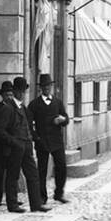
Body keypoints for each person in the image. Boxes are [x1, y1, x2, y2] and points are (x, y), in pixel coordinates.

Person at [6, 77, 49, 213]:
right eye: (20, 91)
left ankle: (36, 204)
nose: (22, 94)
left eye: (24, 91)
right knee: (13, 176)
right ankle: (12, 205)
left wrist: (34, 139)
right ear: (14, 92)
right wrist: (13, 142)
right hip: (16, 146)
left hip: (26, 146)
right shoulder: (8, 107)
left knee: (33, 175)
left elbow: (29, 126)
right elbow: (0, 130)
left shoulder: (24, 108)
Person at [30, 73, 70, 203]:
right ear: (40, 88)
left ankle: (59, 193)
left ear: (51, 86)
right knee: (41, 170)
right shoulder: (34, 104)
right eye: (44, 86)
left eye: (48, 86)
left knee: (62, 167)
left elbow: (66, 118)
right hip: (42, 142)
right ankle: (42, 197)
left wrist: (62, 119)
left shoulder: (57, 102)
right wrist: (36, 138)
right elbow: (28, 125)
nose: (46, 88)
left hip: (56, 141)